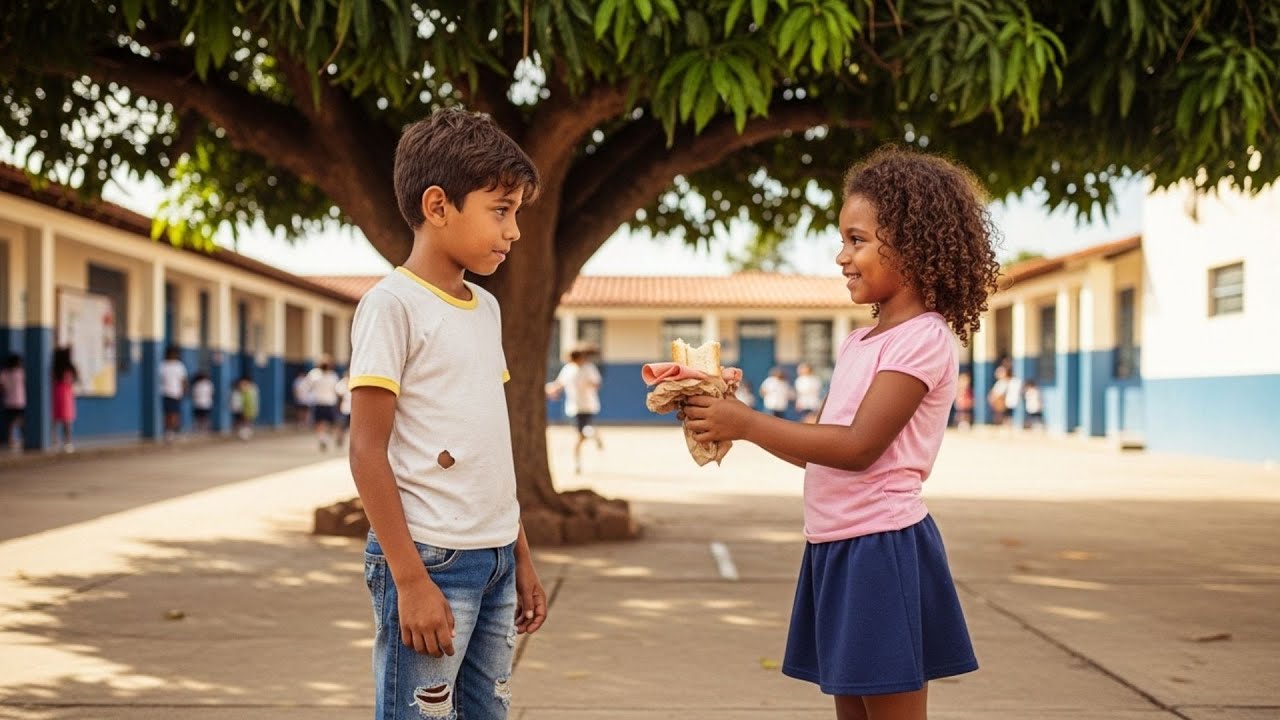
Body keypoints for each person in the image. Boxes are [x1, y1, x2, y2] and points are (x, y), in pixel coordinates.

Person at [683, 147, 999, 720]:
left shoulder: (922, 339)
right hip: (836, 545)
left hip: (882, 547)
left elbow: (857, 448)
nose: (841, 256)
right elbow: (825, 443)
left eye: (857, 240)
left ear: (911, 244)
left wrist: (749, 425)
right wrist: (737, 413)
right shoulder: (862, 341)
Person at [346, 107, 547, 720]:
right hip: (430, 560)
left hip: (495, 559)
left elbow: (488, 447)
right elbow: (366, 452)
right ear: (438, 206)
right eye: (500, 210)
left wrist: (521, 558)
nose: (513, 232)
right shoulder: (392, 306)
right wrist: (409, 580)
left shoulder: (485, 309)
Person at [545, 343, 604, 474]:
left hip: (588, 405)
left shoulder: (589, 368)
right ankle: (578, 462)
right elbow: (559, 383)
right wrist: (551, 389)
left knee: (583, 433)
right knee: (579, 436)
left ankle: (592, 435)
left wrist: (589, 384)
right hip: (574, 407)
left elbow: (596, 383)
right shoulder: (568, 369)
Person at [306, 357, 341, 450]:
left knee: (319, 423)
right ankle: (337, 436)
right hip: (330, 402)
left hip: (318, 402)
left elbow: (308, 386)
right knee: (334, 423)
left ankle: (322, 439)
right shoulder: (333, 376)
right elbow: (336, 390)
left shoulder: (314, 375)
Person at [51, 346, 78, 453]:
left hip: (56, 393)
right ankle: (68, 442)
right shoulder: (70, 368)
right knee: (67, 420)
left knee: (55, 420)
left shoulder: (55, 368)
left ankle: (54, 441)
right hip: (67, 394)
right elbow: (74, 380)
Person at [159, 345, 188, 442]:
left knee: (174, 413)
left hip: (175, 392)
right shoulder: (163, 365)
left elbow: (183, 380)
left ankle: (172, 431)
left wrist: (184, 390)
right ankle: (168, 431)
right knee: (168, 413)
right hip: (165, 392)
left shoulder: (179, 366)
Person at [1, 354, 26, 450]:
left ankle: (10, 440)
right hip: (20, 400)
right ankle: (24, 438)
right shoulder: (20, 372)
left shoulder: (4, 373)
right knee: (22, 421)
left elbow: (2, 386)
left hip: (8, 401)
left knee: (10, 423)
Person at [234, 375, 259, 440]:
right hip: (244, 407)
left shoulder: (251, 389)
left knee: (247, 421)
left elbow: (253, 400)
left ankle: (246, 433)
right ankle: (245, 433)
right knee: (244, 421)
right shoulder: (246, 390)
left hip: (249, 407)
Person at [334, 371, 351, 447]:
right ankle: (339, 438)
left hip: (351, 408)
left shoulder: (354, 382)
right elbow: (337, 392)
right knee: (341, 425)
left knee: (349, 426)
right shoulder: (342, 383)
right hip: (344, 408)